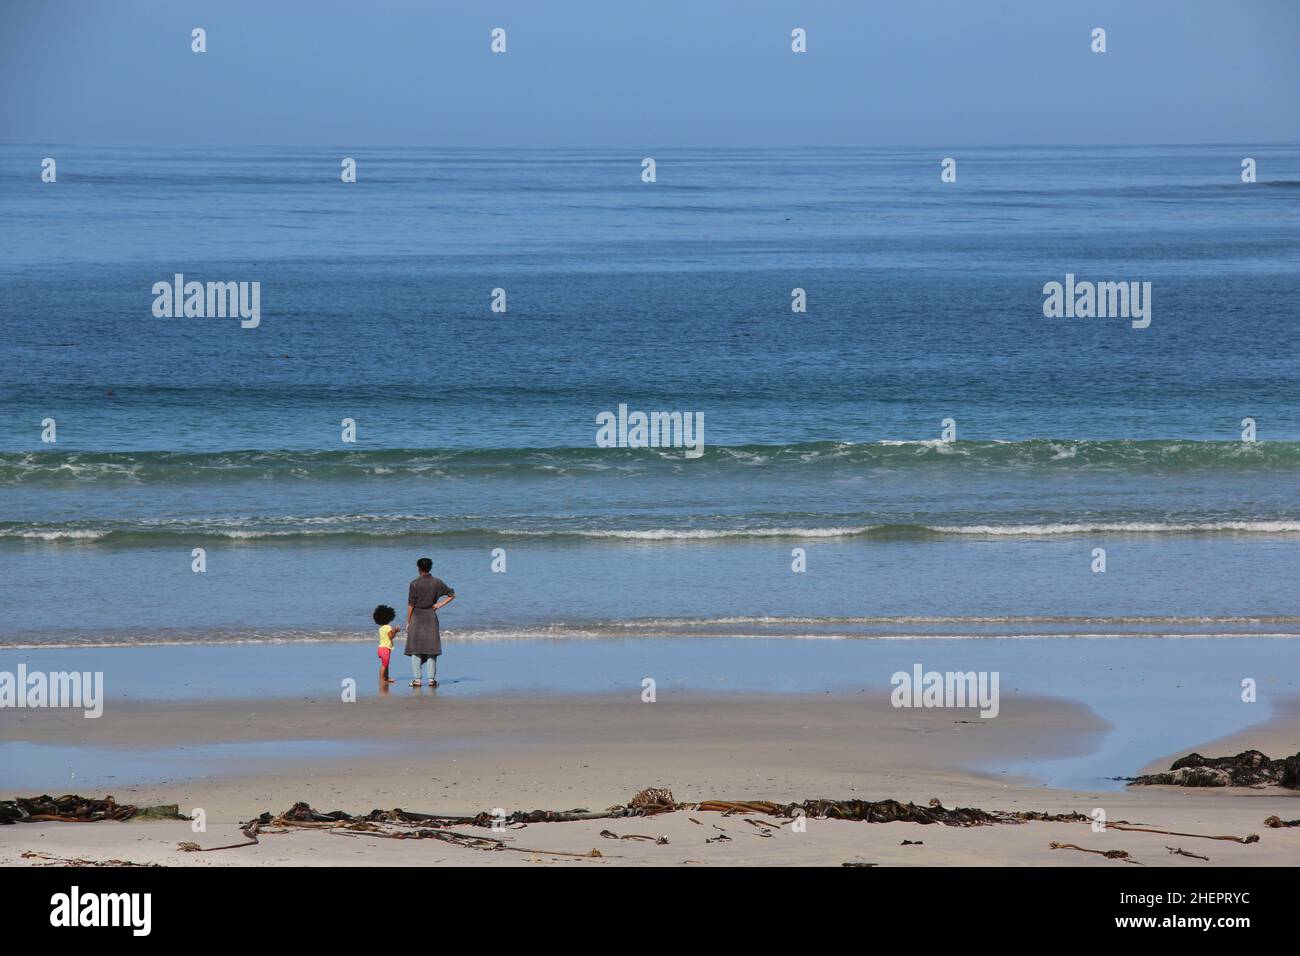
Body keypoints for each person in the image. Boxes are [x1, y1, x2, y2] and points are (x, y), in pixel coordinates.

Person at [405, 557, 455, 687]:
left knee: (416, 650)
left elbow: (411, 604)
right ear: (430, 568)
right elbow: (452, 594)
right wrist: (439, 605)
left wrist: (408, 621)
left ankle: (417, 680)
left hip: (416, 616)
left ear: (418, 568)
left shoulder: (414, 583)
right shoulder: (437, 582)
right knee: (432, 649)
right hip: (431, 617)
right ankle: (431, 680)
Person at [372, 605, 400, 684]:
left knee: (385, 664)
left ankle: (386, 677)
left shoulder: (381, 628)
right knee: (384, 665)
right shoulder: (388, 627)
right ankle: (382, 679)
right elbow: (391, 637)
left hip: (381, 648)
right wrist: (396, 631)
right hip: (385, 649)